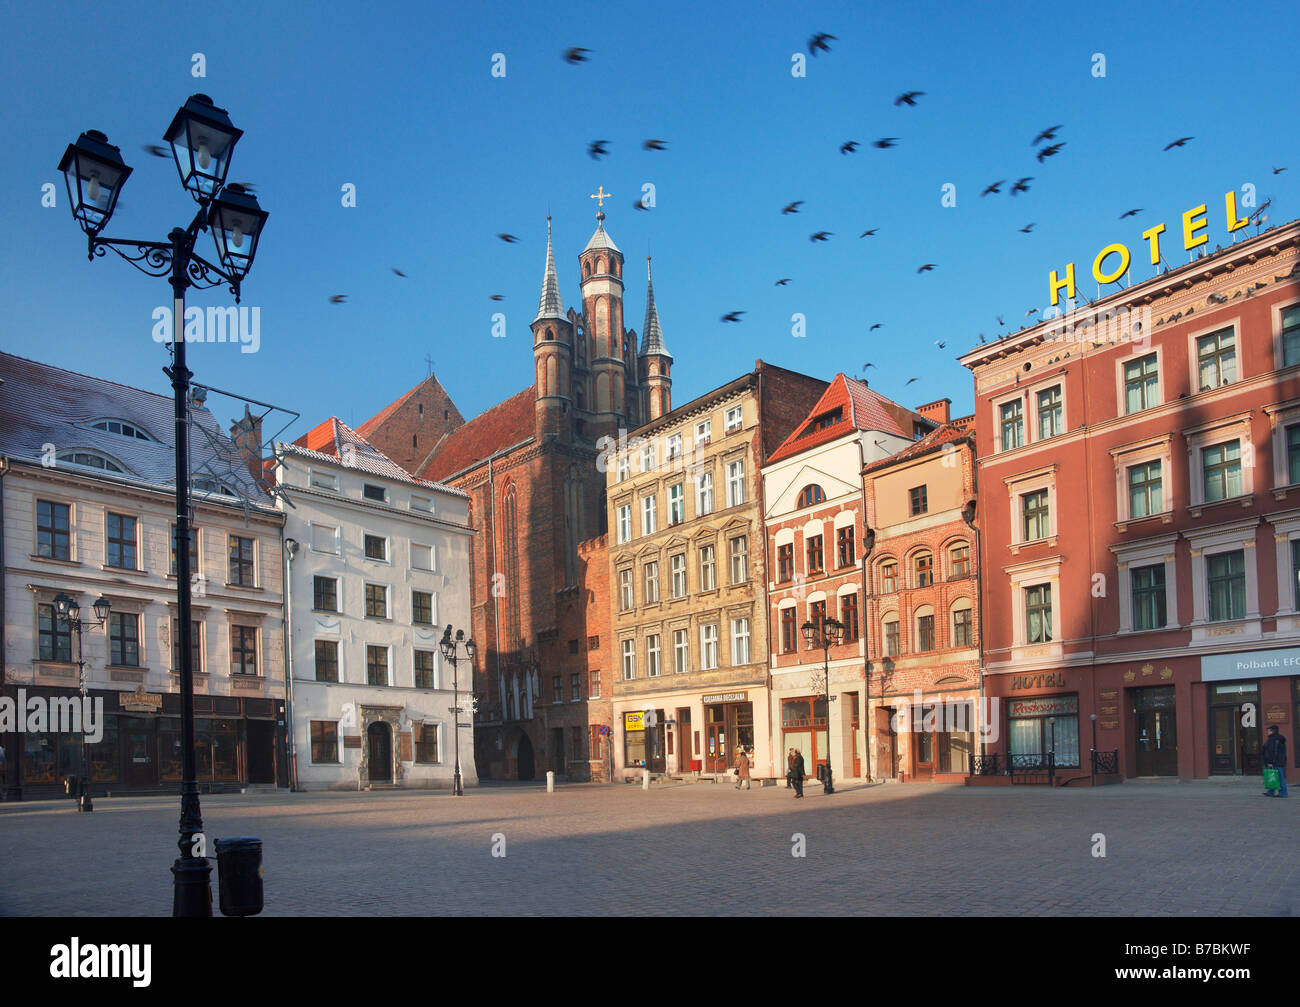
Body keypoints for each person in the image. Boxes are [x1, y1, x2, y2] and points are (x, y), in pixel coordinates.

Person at [1262, 725, 1288, 798]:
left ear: (1272, 731)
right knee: (1273, 776)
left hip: (1276, 762)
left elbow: (1272, 751)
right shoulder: (1278, 739)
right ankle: (1270, 791)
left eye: (1268, 730)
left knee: (1279, 777)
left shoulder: (1273, 739)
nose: (1267, 732)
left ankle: (1283, 793)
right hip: (1279, 761)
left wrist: (1270, 762)